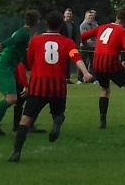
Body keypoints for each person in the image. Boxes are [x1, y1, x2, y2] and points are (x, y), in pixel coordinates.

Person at [8, 16, 95, 162]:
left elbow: (28, 61)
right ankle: (57, 120)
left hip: (38, 86)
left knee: (26, 120)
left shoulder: (36, 40)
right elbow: (76, 56)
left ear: (46, 25)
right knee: (58, 113)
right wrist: (85, 72)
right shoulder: (67, 42)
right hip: (58, 87)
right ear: (61, 26)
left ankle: (16, 152)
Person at [0, 10, 39, 136]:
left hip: (6, 66)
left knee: (9, 98)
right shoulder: (24, 33)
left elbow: (22, 53)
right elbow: (12, 40)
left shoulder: (24, 33)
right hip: (4, 66)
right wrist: (1, 45)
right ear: (37, 23)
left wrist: (28, 67)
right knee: (12, 98)